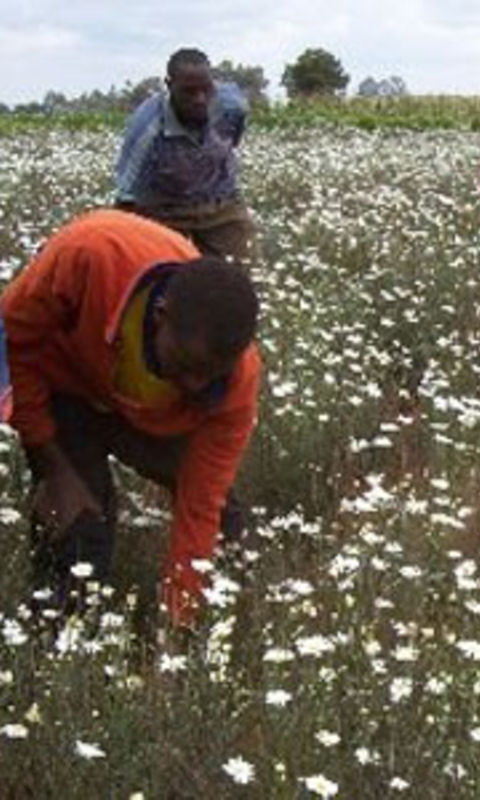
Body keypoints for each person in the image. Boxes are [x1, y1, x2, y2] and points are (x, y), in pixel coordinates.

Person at [1, 209, 261, 626]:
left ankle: (222, 623)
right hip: (67, 390)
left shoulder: (232, 383)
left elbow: (200, 502)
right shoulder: (89, 255)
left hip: (151, 416)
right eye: (186, 364)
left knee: (220, 525)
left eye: (210, 374)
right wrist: (51, 464)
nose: (196, 384)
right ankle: (54, 639)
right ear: (160, 315)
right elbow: (11, 339)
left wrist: (179, 621)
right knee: (81, 530)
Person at [114, 47, 254, 262]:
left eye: (206, 89)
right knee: (163, 280)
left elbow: (232, 142)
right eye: (189, 91)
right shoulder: (147, 129)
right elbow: (127, 196)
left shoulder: (232, 106)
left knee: (235, 278)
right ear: (169, 86)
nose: (200, 99)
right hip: (165, 210)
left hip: (220, 202)